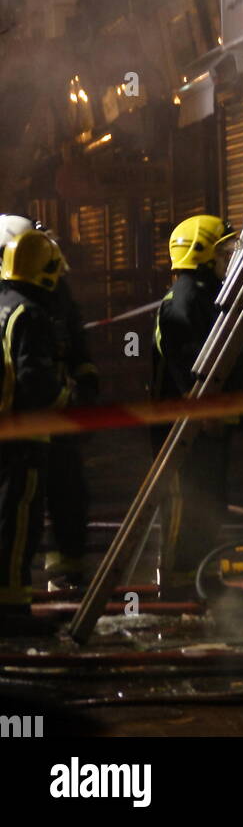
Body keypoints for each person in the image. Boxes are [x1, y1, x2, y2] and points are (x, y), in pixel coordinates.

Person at [0, 215, 98, 594]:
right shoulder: (21, 305)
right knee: (18, 507)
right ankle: (12, 595)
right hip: (30, 417)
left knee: (66, 491)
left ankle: (66, 570)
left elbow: (73, 337)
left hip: (49, 414)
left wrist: (85, 379)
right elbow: (28, 374)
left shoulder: (50, 294)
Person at [151, 214, 243, 595]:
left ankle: (202, 574)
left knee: (207, 499)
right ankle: (176, 582)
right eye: (223, 250)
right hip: (181, 425)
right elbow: (183, 363)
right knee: (182, 503)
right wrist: (201, 411)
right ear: (201, 254)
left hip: (204, 423)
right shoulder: (183, 301)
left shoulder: (206, 295)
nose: (228, 257)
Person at [0, 229, 68, 634]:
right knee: (18, 522)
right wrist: (69, 398)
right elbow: (36, 383)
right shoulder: (31, 315)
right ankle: (11, 611)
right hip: (23, 439)